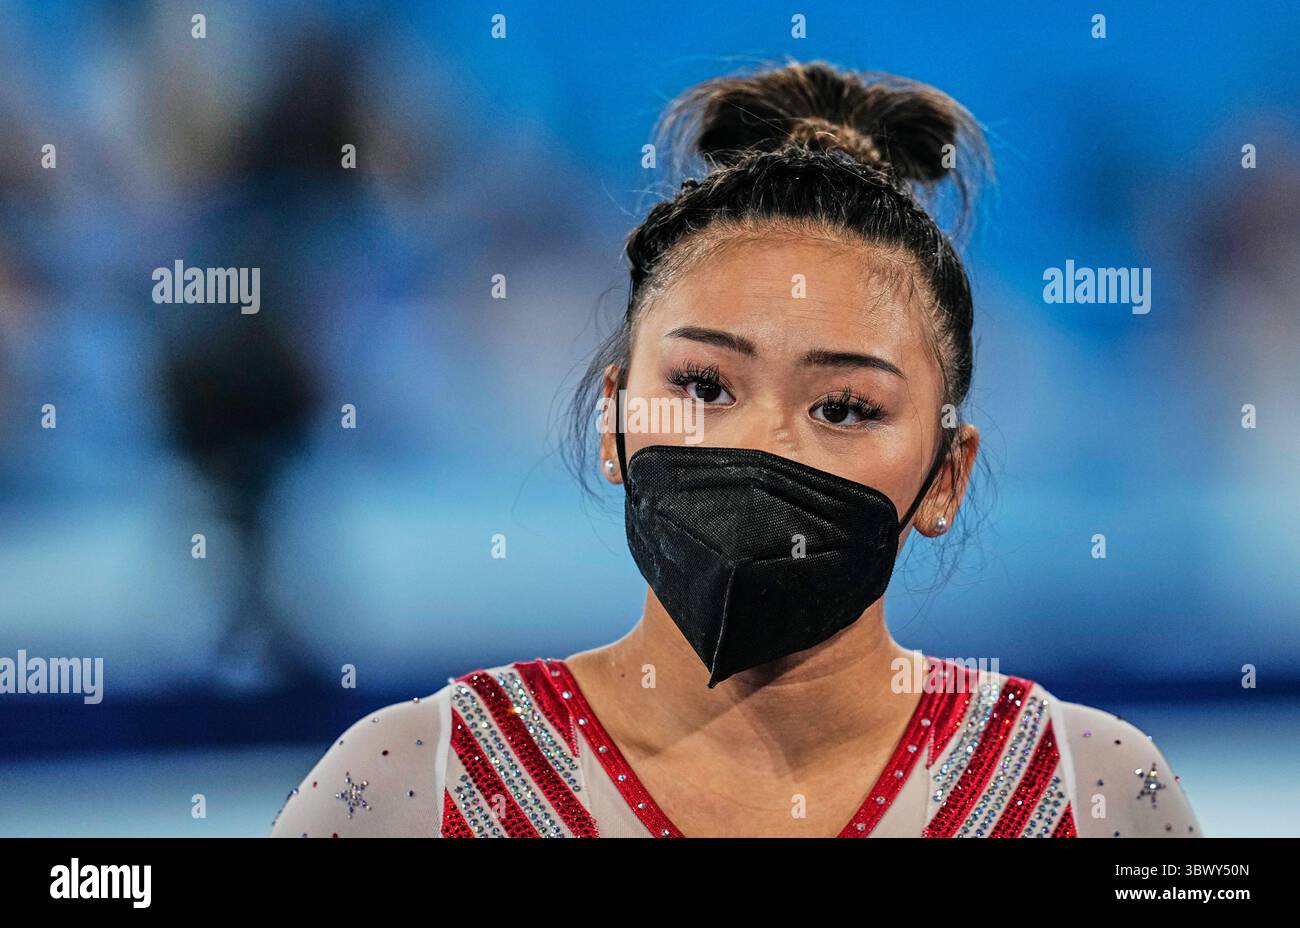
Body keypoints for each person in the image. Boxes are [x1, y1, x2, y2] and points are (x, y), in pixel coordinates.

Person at [270, 60, 1201, 838]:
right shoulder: (411, 787)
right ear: (615, 419)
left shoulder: (1092, 790)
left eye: (843, 406)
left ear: (945, 476)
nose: (762, 442)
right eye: (704, 386)